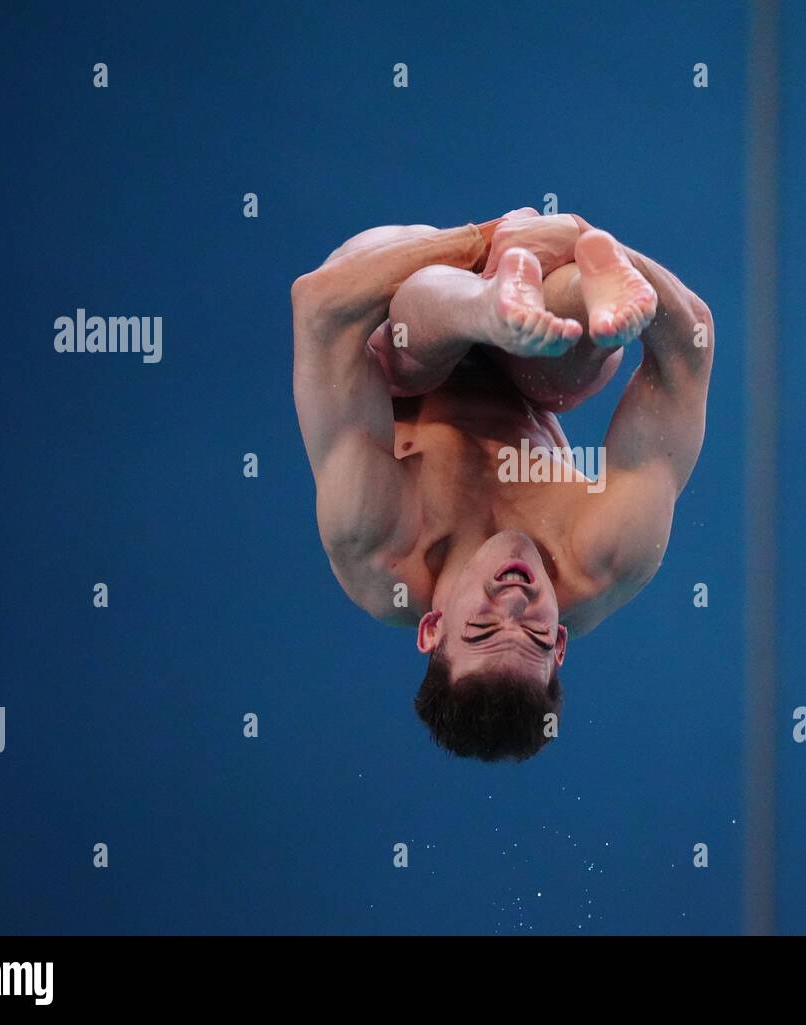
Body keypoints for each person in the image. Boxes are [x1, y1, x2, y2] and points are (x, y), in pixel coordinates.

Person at [290, 209, 714, 761]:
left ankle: (490, 307)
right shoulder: (603, 557)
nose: (513, 602)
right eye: (536, 635)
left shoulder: (377, 543)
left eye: (483, 629)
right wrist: (585, 242)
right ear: (559, 643)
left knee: (408, 348)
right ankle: (575, 292)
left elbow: (320, 306)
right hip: (532, 358)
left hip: (403, 317)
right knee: (569, 359)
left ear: (432, 631)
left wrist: (484, 239)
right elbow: (690, 346)